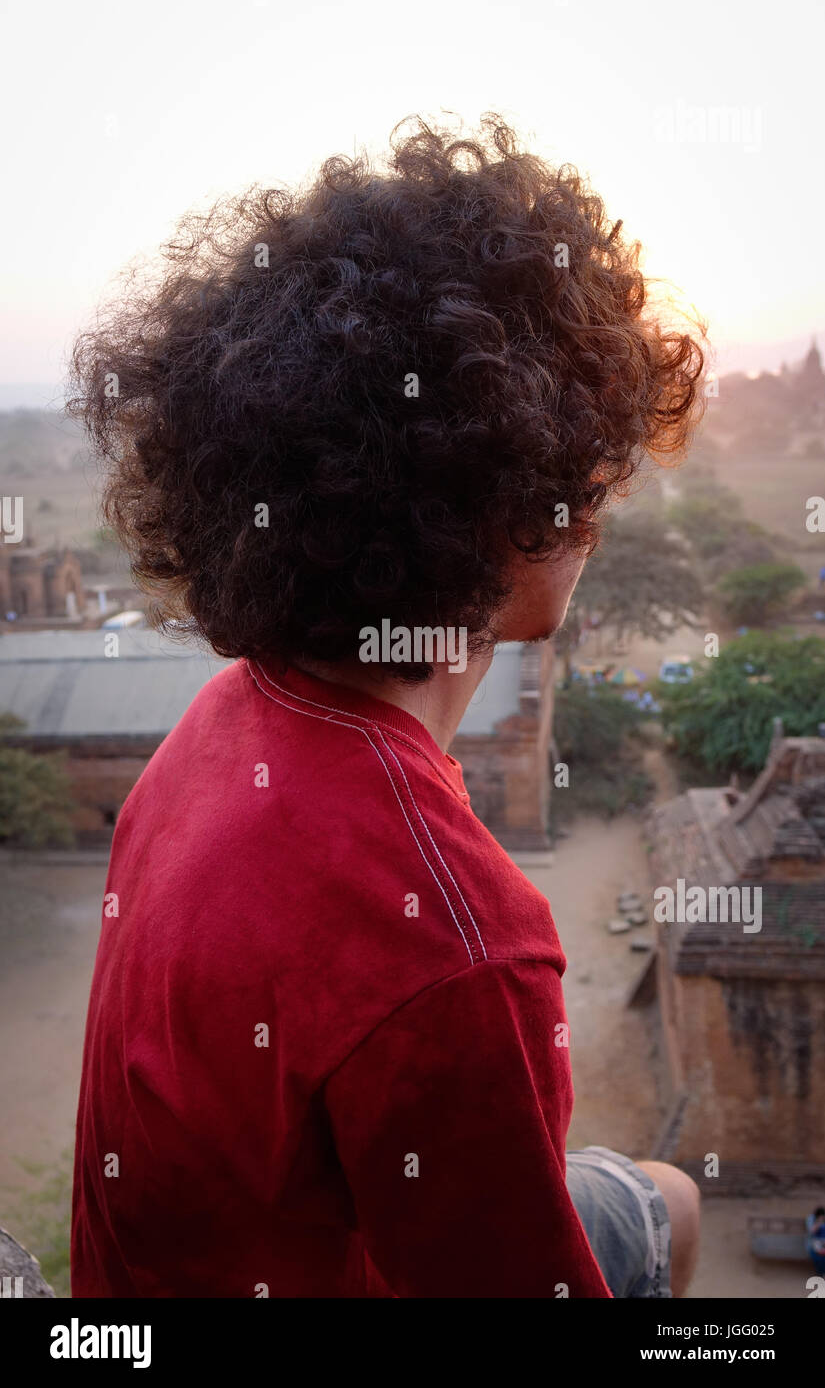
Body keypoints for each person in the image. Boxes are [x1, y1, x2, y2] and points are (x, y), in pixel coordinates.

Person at [68, 114, 703, 1299]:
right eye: (583, 472)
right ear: (513, 502)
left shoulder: (220, 725)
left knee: (657, 1197)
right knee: (674, 1206)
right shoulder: (462, 946)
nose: (600, 509)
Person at [806, 1206, 825, 1274]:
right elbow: (812, 1231)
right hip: (815, 1245)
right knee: (819, 1257)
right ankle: (820, 1273)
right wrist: (819, 1221)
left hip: (822, 1244)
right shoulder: (812, 1219)